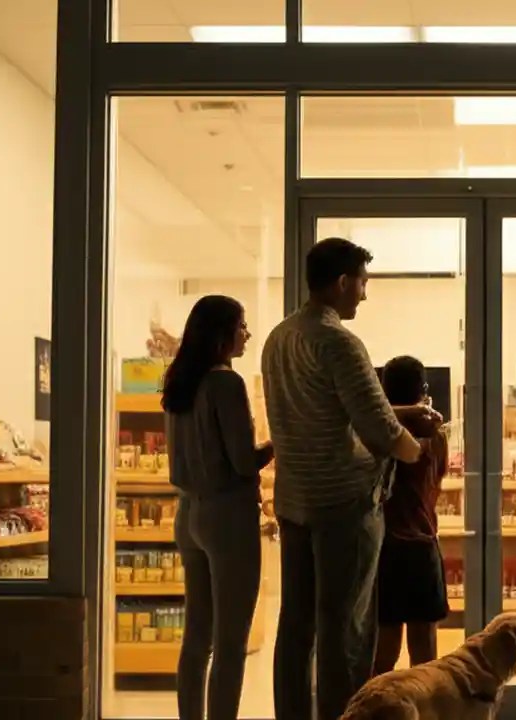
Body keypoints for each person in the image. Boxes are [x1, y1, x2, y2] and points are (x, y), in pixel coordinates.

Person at [263, 238, 442, 720]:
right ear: (343, 282)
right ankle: (345, 717)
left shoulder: (280, 338)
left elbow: (326, 410)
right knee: (345, 629)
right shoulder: (340, 342)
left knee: (296, 624)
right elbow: (380, 430)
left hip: (296, 498)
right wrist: (417, 446)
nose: (364, 294)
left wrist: (399, 411)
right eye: (363, 283)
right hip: (345, 503)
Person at [162, 295, 273, 720]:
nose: (247, 333)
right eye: (242, 324)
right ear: (222, 332)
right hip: (227, 515)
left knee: (196, 638)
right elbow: (243, 461)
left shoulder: (179, 382)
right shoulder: (226, 382)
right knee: (231, 642)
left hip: (187, 513)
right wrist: (279, 440)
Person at [373, 355, 451, 675]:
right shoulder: (437, 435)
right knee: (425, 652)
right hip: (422, 543)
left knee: (384, 650)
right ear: (423, 390)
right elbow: (438, 476)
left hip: (385, 545)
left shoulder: (380, 436)